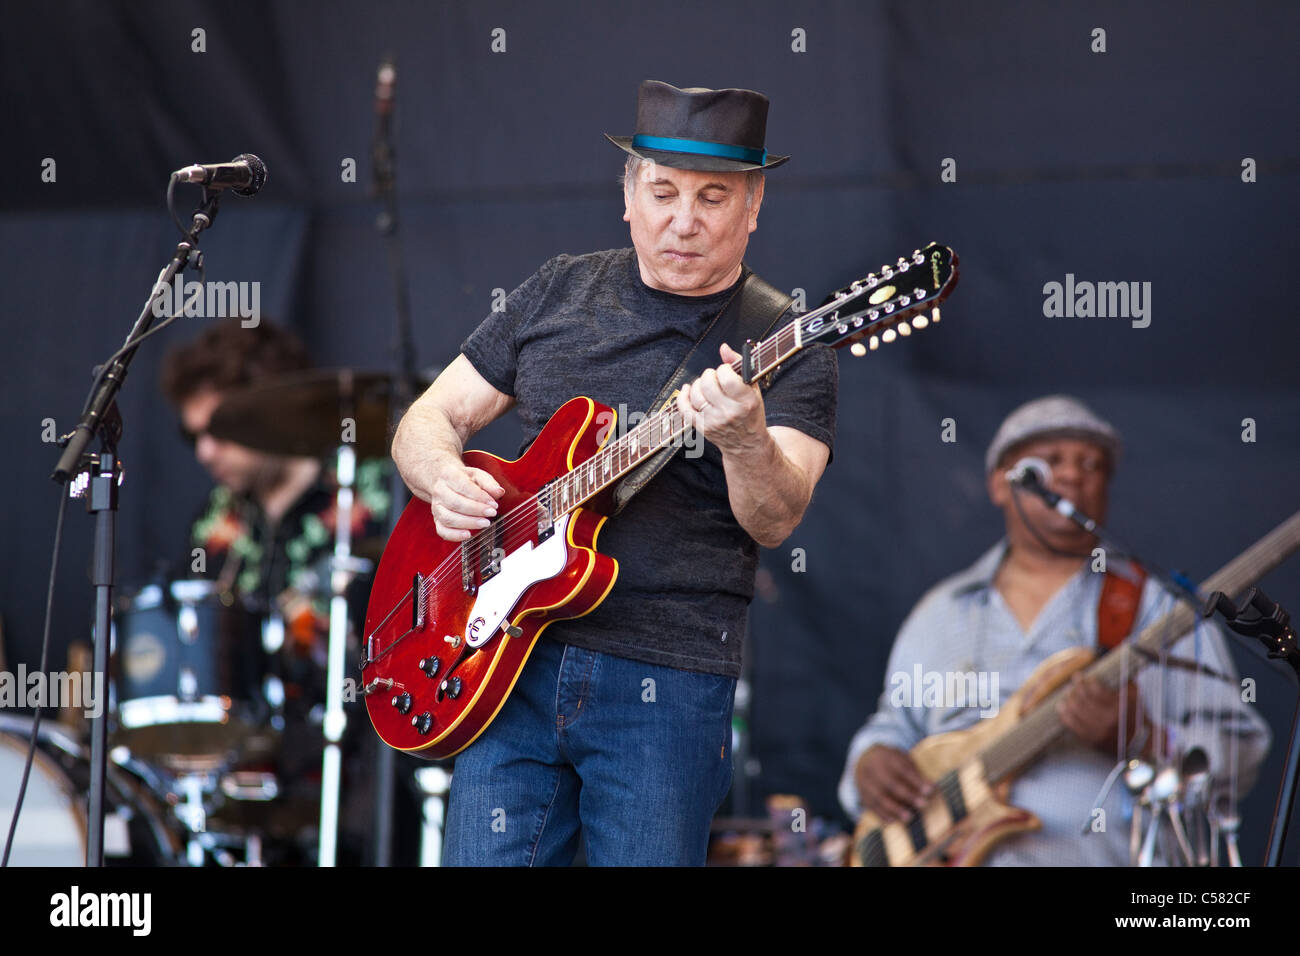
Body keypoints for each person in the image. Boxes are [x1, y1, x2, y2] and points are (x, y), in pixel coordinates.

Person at [391, 80, 839, 865]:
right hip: (508, 664)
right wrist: (440, 476)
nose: (684, 219)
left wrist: (743, 438)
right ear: (627, 195)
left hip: (667, 686)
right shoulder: (557, 290)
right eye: (662, 192)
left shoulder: (786, 340)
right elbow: (428, 420)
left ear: (754, 207)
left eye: (713, 197)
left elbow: (777, 517)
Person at [838, 395, 1270, 865]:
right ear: (1000, 485)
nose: (1071, 475)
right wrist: (870, 762)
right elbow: (893, 726)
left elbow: (1239, 751)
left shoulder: (1157, 607)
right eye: (1048, 462)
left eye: (1092, 465)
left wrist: (1141, 737)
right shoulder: (940, 612)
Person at [159, 316, 390, 863]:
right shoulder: (215, 521)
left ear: (270, 413)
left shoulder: (371, 497)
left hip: (355, 759)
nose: (204, 453)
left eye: (219, 430)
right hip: (240, 771)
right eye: (192, 436)